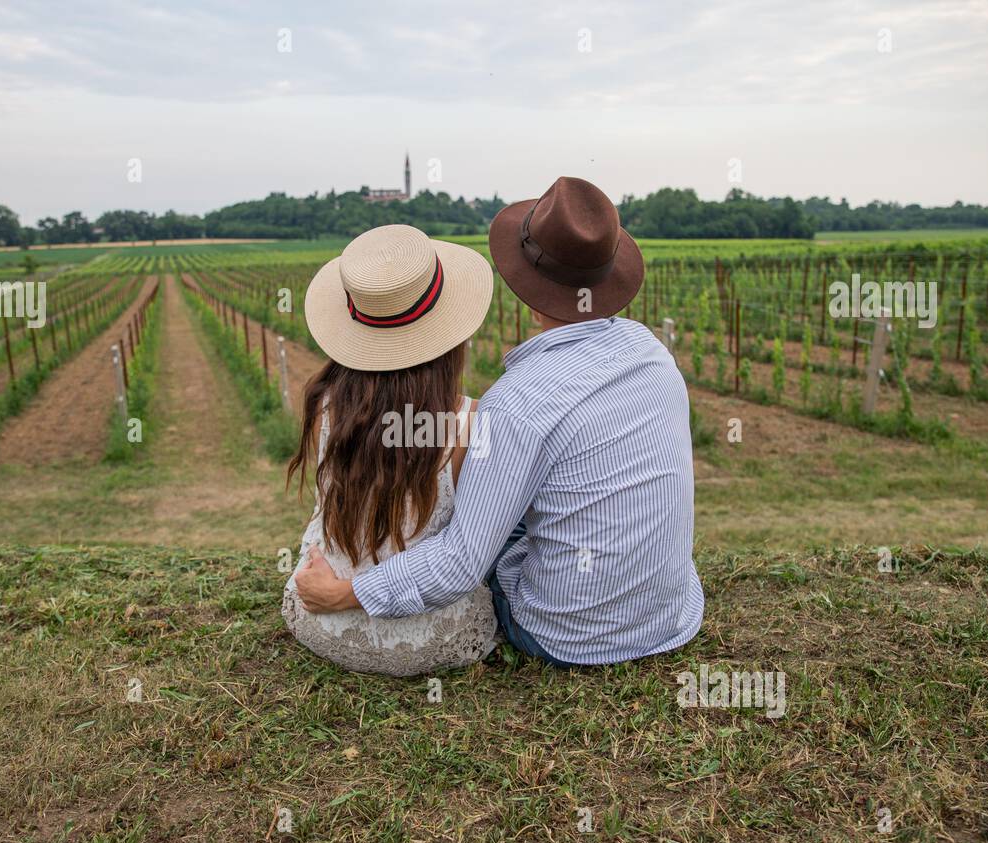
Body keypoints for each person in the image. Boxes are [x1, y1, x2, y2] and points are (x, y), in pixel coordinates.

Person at [296, 176, 703, 667]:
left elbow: (462, 564)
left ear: (524, 286)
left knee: (489, 520)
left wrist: (343, 594)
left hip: (567, 639)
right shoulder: (653, 354)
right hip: (671, 617)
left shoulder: (514, 404)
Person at [281, 223, 499, 676]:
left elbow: (323, 514)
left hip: (325, 623)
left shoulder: (324, 405)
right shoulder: (471, 422)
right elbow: (472, 547)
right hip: (436, 639)